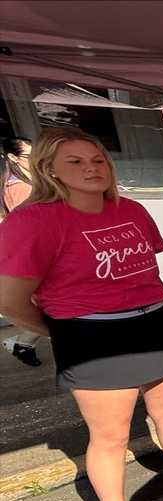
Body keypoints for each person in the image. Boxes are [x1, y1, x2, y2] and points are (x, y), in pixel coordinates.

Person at [0, 127, 163, 501]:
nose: (91, 169)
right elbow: (11, 301)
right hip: (93, 334)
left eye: (97, 160)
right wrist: (60, 329)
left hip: (157, 322)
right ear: (48, 170)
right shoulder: (33, 220)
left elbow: (144, 267)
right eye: (75, 162)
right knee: (111, 437)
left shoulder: (131, 210)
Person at [1, 136, 42, 366]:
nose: (34, 159)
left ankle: (22, 343)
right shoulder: (19, 187)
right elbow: (29, 228)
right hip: (35, 256)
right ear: (12, 157)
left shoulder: (22, 181)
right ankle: (22, 343)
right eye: (28, 156)